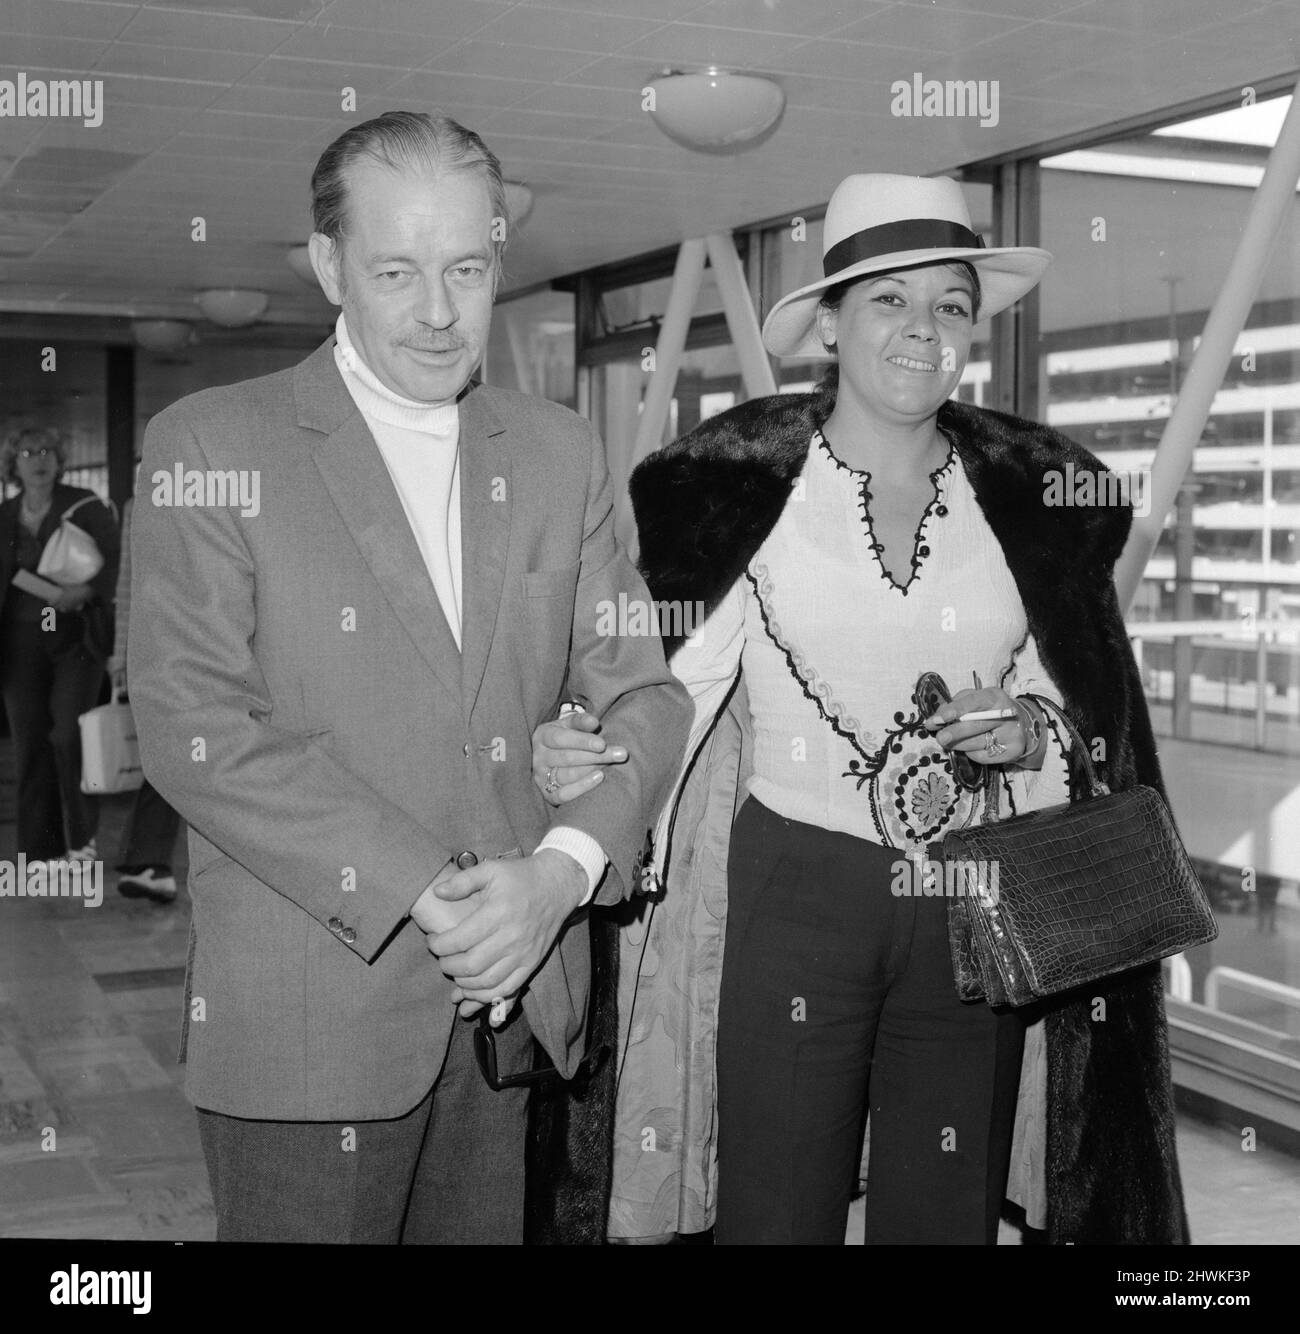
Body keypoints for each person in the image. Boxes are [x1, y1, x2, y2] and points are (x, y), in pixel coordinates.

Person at [533, 174, 1189, 1245]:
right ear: (829, 324)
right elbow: (673, 694)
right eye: (888, 299)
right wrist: (588, 768)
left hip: (973, 901)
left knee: (944, 1209)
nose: (922, 330)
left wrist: (1028, 731)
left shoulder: (1026, 501)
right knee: (777, 1208)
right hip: (795, 890)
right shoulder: (744, 492)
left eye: (949, 303)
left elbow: (1073, 702)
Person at [129, 111, 691, 1245]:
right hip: (306, 1024)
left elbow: (648, 694)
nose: (439, 312)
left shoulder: (554, 450)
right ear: (330, 264)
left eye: (467, 270)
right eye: (397, 271)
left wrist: (559, 870)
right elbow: (194, 730)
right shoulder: (210, 445)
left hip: (509, 1007)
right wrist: (431, 889)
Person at [0, 426, 118, 864]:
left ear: (60, 459)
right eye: (28, 451)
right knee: (30, 743)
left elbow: (115, 561)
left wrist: (85, 592)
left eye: (47, 450)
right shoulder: (5, 513)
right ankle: (38, 850)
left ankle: (81, 841)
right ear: (15, 462)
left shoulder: (83, 505)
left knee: (68, 735)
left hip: (76, 638)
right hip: (19, 643)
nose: (38, 458)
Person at [108, 497, 182, 902]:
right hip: (164, 646)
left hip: (227, 643)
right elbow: (127, 581)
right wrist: (121, 654)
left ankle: (150, 861)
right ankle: (151, 862)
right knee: (171, 750)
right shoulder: (139, 504)